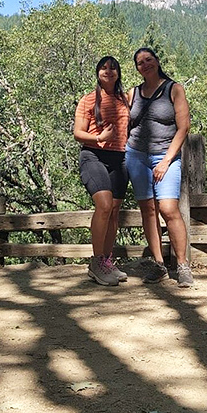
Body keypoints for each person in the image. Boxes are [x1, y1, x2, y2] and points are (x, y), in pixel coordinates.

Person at [125, 47, 194, 288]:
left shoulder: (174, 89)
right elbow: (118, 115)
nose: (145, 65)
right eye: (140, 62)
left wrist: (166, 160)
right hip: (136, 155)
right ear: (137, 68)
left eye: (149, 60)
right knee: (148, 210)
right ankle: (158, 264)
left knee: (168, 208)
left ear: (157, 61)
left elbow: (183, 128)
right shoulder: (134, 93)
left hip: (165, 157)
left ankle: (183, 265)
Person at [74, 56, 130, 286]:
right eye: (104, 67)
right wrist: (99, 137)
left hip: (120, 158)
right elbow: (78, 133)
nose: (109, 71)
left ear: (118, 73)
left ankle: (107, 262)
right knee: (104, 205)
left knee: (115, 211)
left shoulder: (126, 99)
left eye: (113, 67)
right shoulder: (87, 100)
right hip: (93, 155)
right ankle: (96, 263)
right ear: (97, 72)